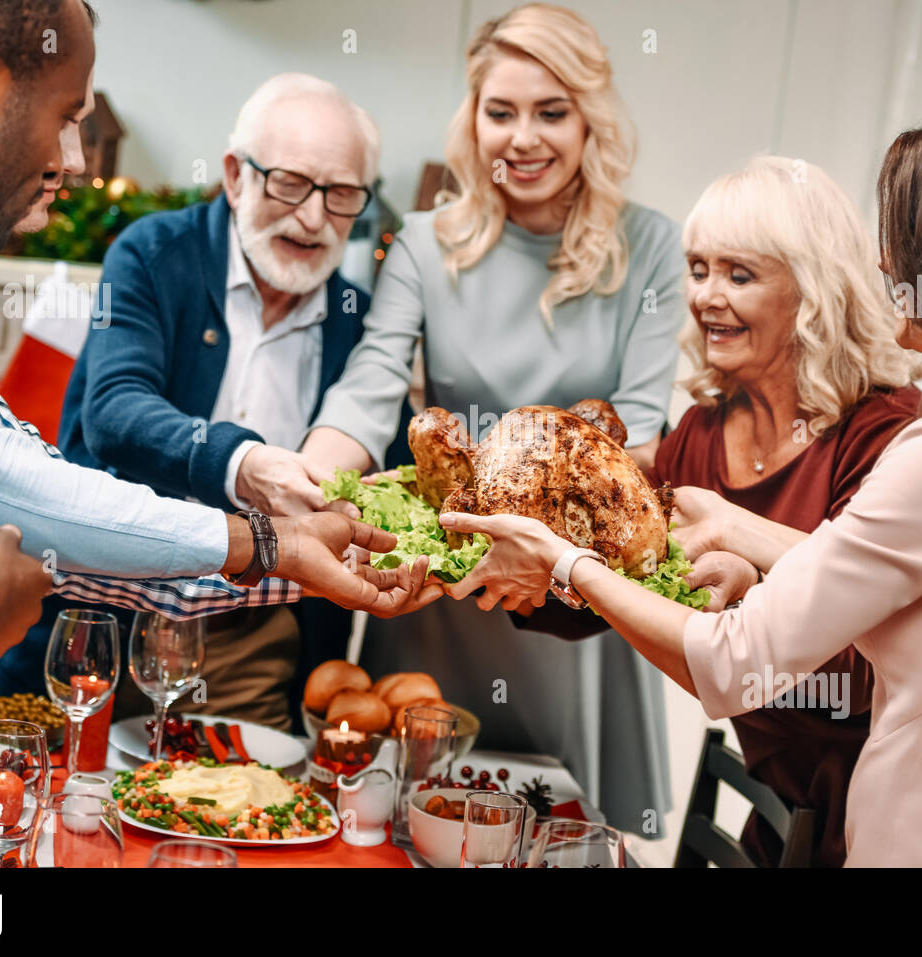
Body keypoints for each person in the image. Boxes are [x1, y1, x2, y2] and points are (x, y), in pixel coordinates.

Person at [441, 103, 922, 867]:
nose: (884, 260)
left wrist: (561, 559)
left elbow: (738, 660)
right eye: (700, 268)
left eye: (903, 236)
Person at [0, 0, 430, 736]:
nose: (74, 160)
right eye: (66, 115)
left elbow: (4, 480)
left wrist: (273, 543)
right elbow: (88, 434)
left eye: (342, 195)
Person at [291, 3, 686, 830]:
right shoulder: (426, 243)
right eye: (500, 111)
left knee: (557, 831)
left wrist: (550, 556)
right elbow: (369, 391)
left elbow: (640, 439)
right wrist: (303, 485)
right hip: (445, 605)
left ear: (591, 120)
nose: (523, 137)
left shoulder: (649, 247)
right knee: (416, 825)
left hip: (579, 601)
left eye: (552, 111)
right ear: (472, 119)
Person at [27, 72, 418, 729]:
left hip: (261, 635)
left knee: (244, 807)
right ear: (236, 175)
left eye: (343, 194)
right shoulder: (155, 254)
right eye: (290, 183)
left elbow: (391, 470)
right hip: (116, 610)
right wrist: (244, 464)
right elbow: (114, 410)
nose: (315, 217)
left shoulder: (358, 317)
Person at [635, 155, 922, 866]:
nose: (707, 296)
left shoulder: (883, 431)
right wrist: (519, 557)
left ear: (813, 290)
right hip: (780, 814)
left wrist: (754, 584)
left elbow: (858, 675)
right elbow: (627, 578)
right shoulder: (702, 432)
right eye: (699, 269)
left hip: (880, 820)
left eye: (740, 274)